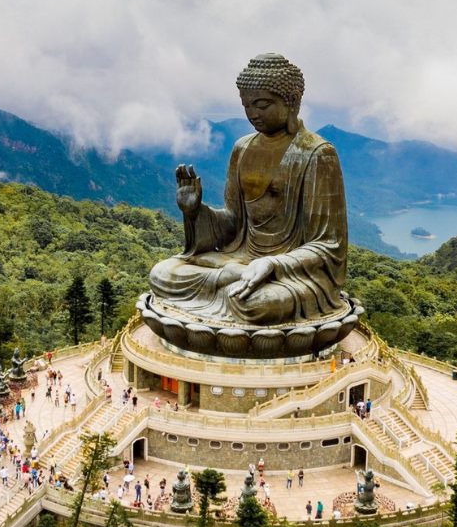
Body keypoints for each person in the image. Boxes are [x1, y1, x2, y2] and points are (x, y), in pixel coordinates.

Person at [148, 54, 348, 327]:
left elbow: (328, 245)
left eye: (263, 105)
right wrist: (196, 211)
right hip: (238, 258)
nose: (253, 113)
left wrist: (274, 265)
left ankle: (234, 280)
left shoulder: (317, 153)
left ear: (291, 101)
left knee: (254, 304)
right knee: (162, 273)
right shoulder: (242, 149)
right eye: (246, 105)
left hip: (289, 274)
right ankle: (233, 276)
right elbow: (233, 223)